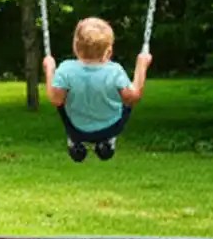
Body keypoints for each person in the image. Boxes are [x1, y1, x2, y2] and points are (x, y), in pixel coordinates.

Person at [42, 17, 152, 162]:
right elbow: (133, 97)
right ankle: (107, 142)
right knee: (128, 100)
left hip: (76, 128)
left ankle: (75, 142)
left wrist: (49, 69)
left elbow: (55, 99)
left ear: (75, 47)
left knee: (60, 96)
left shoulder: (66, 70)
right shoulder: (115, 72)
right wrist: (141, 66)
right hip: (111, 127)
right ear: (109, 51)